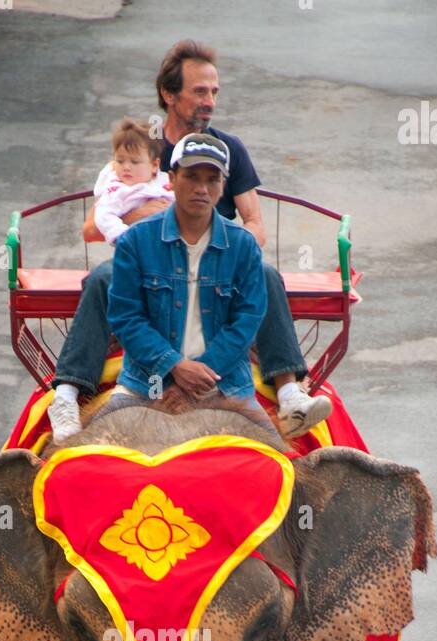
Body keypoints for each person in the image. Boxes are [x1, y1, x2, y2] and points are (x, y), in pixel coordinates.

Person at [48, 38, 332, 443]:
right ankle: (68, 390)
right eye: (200, 91)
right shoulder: (141, 146)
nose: (210, 101)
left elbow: (255, 225)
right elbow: (94, 225)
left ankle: (289, 391)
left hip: (221, 265)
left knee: (265, 276)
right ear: (169, 94)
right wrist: (152, 219)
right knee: (103, 277)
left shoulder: (229, 148)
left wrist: (231, 252)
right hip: (150, 261)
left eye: (214, 92)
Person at [107, 133, 266, 407]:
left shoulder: (244, 246)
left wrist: (198, 376)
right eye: (192, 177)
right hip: (149, 383)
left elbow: (247, 320)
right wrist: (176, 367)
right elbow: (126, 317)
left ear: (223, 185)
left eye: (212, 179)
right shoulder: (135, 241)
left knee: (275, 450)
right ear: (171, 179)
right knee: (93, 449)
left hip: (223, 383)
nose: (202, 188)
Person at [94, 117, 174, 246]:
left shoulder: (165, 180)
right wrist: (125, 237)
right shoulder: (117, 190)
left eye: (135, 162)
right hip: (137, 247)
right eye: (120, 161)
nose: (126, 167)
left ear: (154, 165)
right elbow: (103, 216)